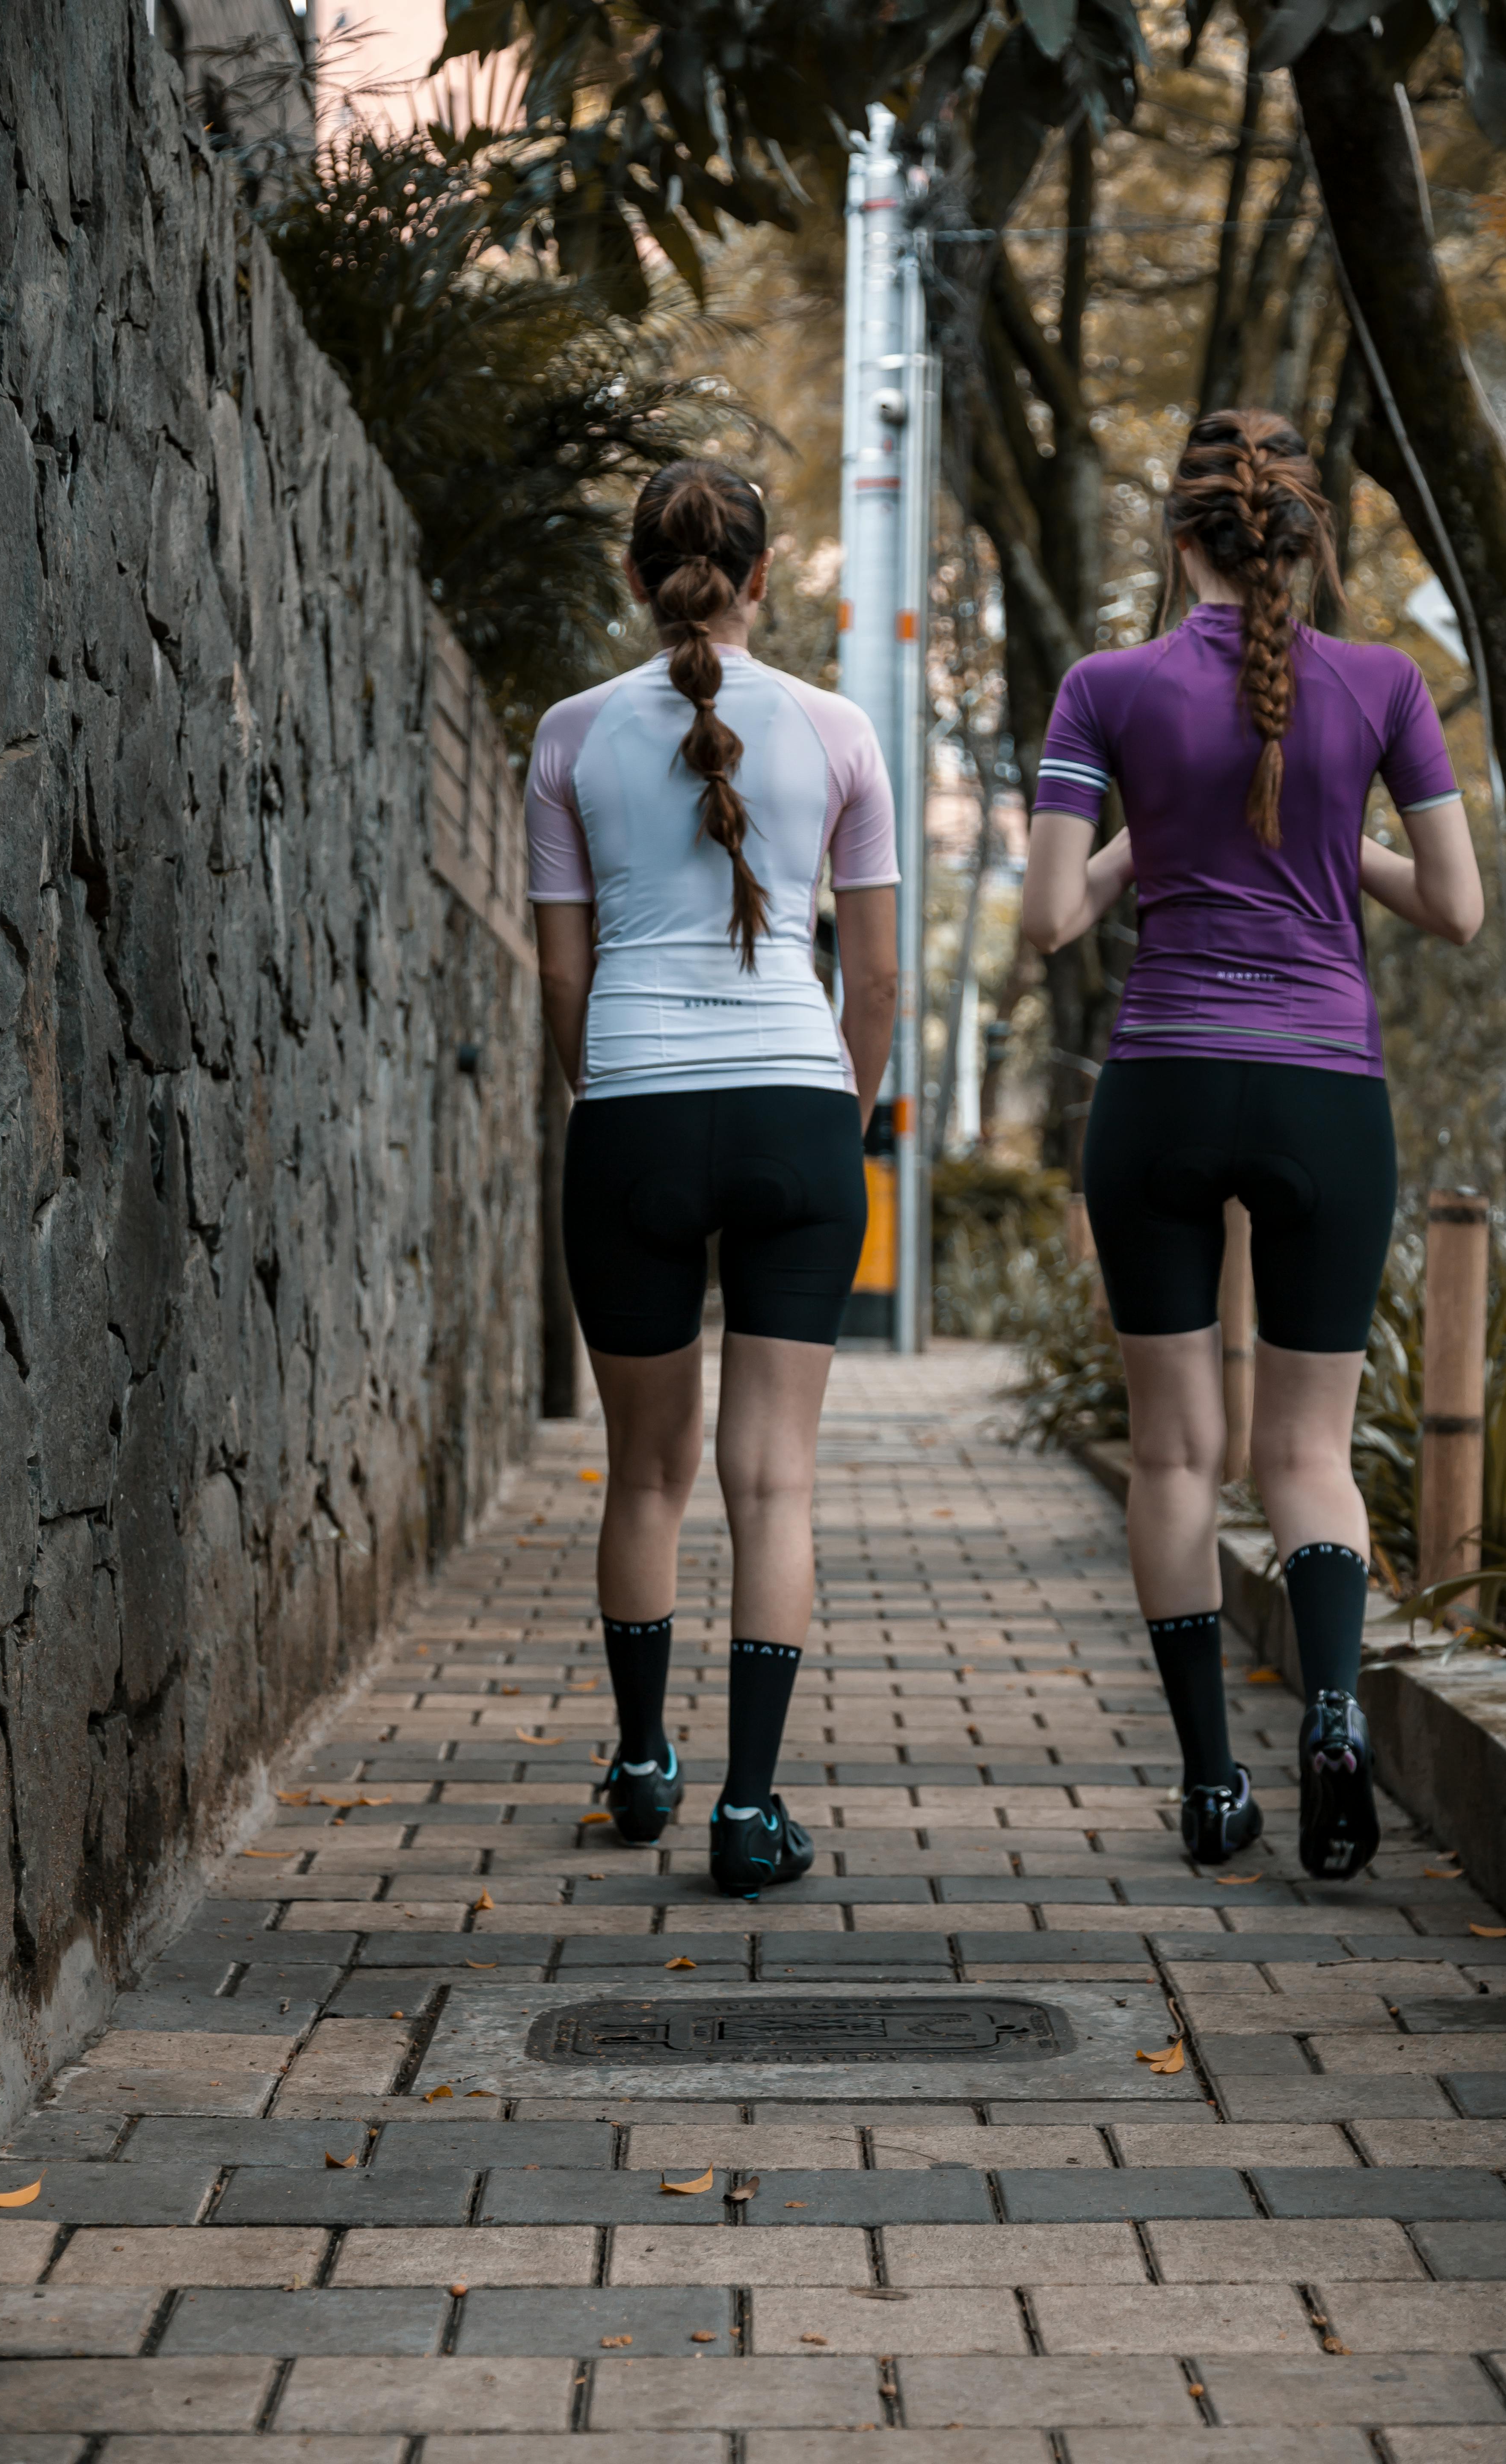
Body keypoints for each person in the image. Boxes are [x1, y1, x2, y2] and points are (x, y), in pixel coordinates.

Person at [1020, 407, 1482, 1877]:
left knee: (1178, 1454)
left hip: (1160, 1086)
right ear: (1309, 533)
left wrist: (1160, 827)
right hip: (1322, 1095)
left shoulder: (1105, 688)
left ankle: (1213, 1782)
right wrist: (1326, 825)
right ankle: (1336, 1709)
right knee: (1306, 1451)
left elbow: (1048, 921)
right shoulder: (1386, 684)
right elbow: (1458, 909)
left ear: (1179, 534)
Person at [525, 460, 900, 1898]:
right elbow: (870, 975)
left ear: (638, 578)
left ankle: (638, 1768)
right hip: (800, 1111)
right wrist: (837, 1124)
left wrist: (608, 1095)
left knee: (649, 1473)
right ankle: (751, 1808)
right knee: (774, 1482)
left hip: (631, 1109)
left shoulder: (568, 736)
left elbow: (564, 973)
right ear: (763, 577)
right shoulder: (840, 730)